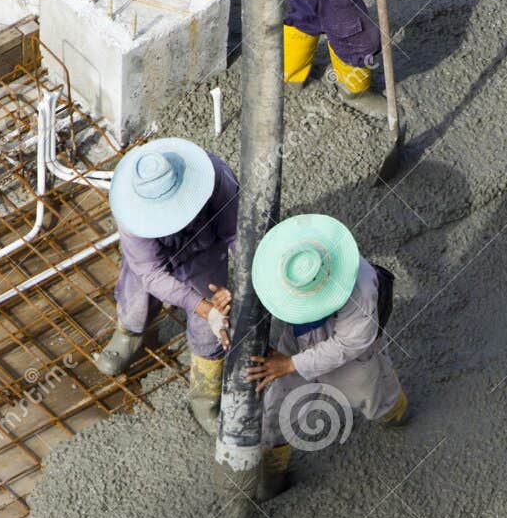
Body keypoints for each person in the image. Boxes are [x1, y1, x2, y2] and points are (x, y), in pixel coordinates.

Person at [243, 213, 406, 491]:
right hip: (300, 333)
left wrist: (290, 364)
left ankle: (395, 418)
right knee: (278, 404)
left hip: (351, 350)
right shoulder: (283, 259)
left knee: (373, 395)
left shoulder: (361, 285)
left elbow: (351, 343)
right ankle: (272, 474)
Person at [94, 138, 238, 434]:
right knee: (137, 300)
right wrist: (200, 306)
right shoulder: (131, 214)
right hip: (155, 258)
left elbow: (237, 232)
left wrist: (239, 284)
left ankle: (204, 398)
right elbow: (151, 272)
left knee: (210, 328)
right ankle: (129, 334)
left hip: (203, 250)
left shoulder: (216, 178)